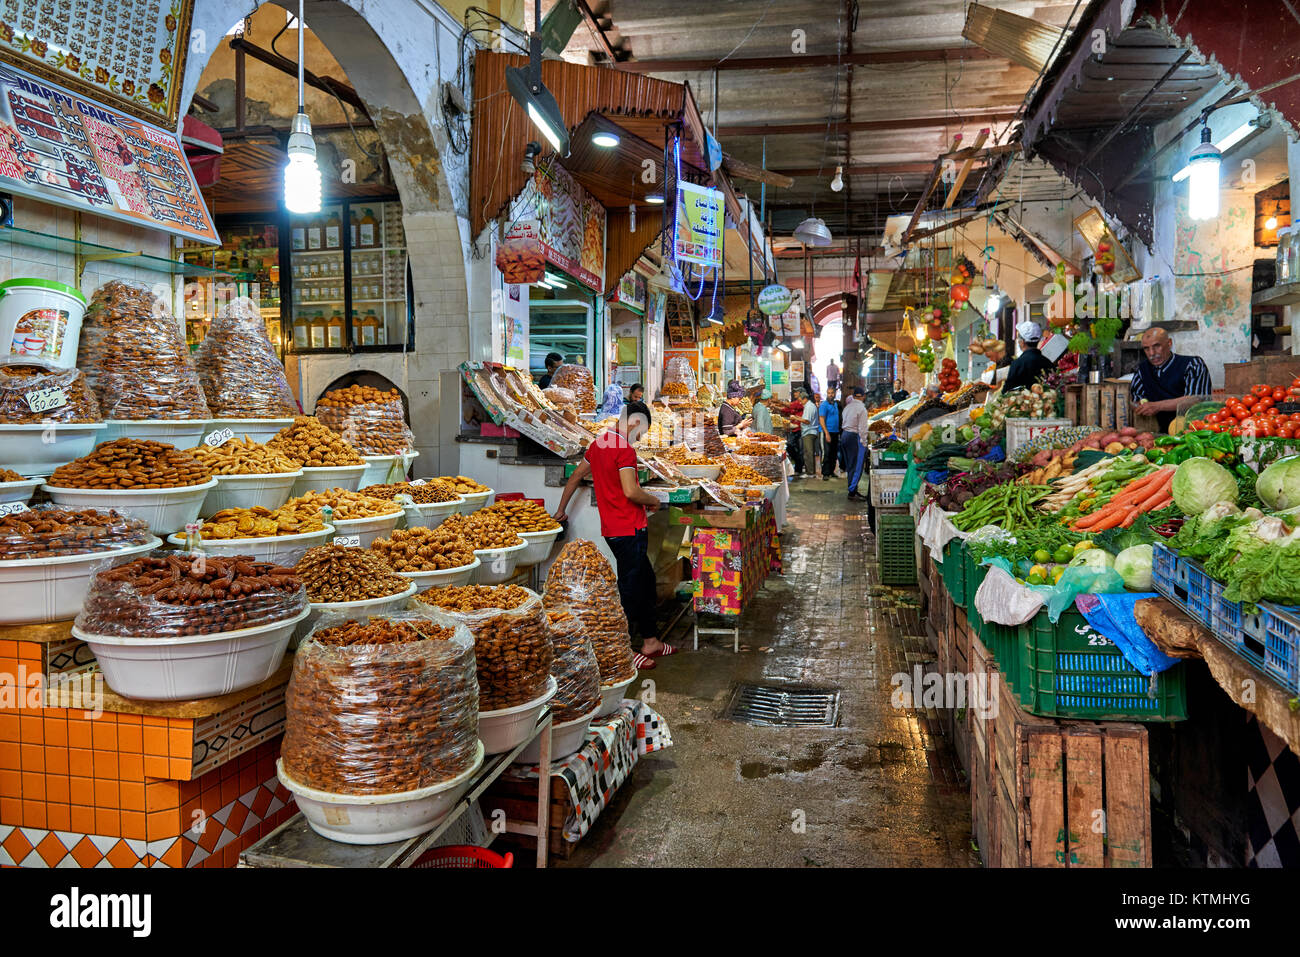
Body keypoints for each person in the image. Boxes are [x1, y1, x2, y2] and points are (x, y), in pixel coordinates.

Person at [553, 408, 672, 665]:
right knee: (630, 590)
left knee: (645, 581)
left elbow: (575, 477)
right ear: (636, 422)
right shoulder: (624, 449)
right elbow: (630, 492)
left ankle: (650, 641)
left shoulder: (600, 442)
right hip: (629, 529)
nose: (640, 439)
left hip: (613, 530)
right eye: (642, 433)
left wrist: (561, 510)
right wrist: (653, 501)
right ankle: (624, 653)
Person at [1129, 326, 1212, 432]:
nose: (1152, 353)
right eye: (1146, 348)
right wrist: (1139, 406)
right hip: (1158, 433)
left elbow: (1195, 399)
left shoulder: (1193, 364)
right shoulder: (1142, 370)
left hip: (1192, 430)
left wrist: (1157, 406)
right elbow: (1136, 399)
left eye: (1157, 346)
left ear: (1169, 343)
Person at [1003, 320, 1055, 391]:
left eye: (1018, 338)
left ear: (1022, 342)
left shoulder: (1017, 364)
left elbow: (1006, 392)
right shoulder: (1048, 363)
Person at [842, 385, 869, 505]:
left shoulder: (848, 407)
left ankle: (852, 489)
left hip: (844, 435)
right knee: (857, 466)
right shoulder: (862, 409)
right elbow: (863, 429)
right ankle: (852, 491)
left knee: (850, 465)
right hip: (854, 438)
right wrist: (864, 442)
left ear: (853, 397)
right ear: (863, 397)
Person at [818, 384, 841, 480]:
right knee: (826, 453)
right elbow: (821, 419)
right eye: (829, 393)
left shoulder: (835, 404)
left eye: (832, 393)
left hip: (835, 432)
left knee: (833, 453)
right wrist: (826, 433)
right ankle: (825, 473)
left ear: (835, 394)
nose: (831, 395)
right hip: (826, 432)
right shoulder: (824, 405)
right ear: (826, 394)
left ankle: (831, 471)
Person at [801, 388, 820, 479]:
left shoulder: (809, 407)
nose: (800, 402)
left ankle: (810, 473)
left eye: (800, 400)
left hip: (809, 432)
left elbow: (807, 421)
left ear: (804, 398)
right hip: (811, 431)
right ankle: (810, 471)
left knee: (808, 452)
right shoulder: (811, 405)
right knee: (809, 452)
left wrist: (795, 418)